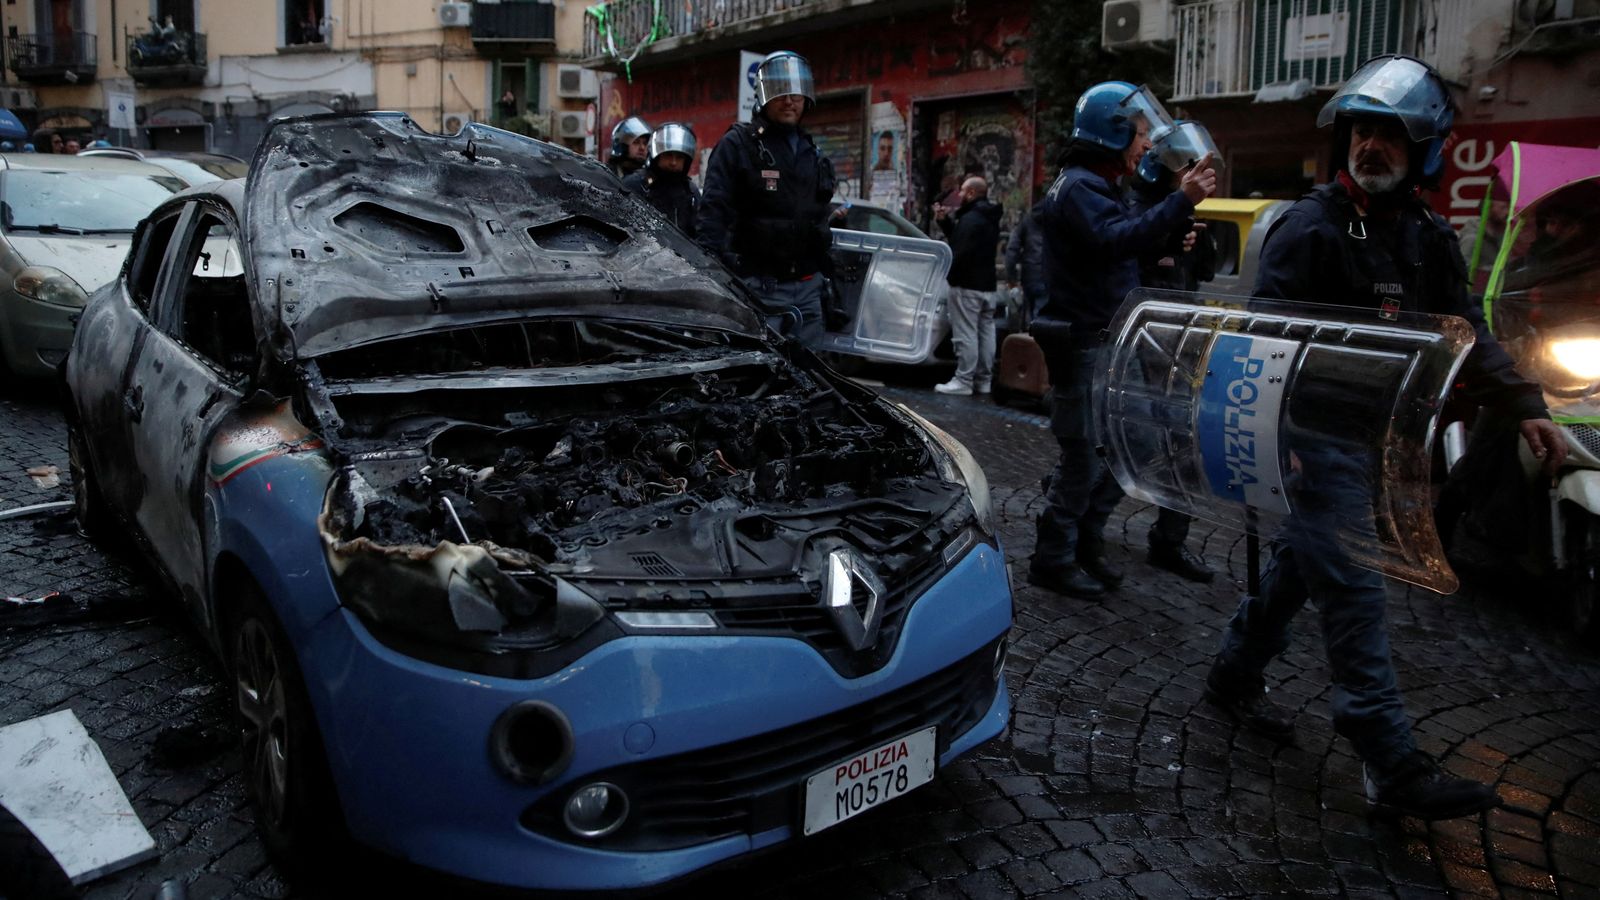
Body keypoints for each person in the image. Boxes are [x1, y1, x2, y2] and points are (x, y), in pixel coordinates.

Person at [1202, 55, 1567, 821]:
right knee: (1357, 589)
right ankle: (1388, 760)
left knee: (1302, 569)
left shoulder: (1429, 238)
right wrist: (1278, 441)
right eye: (1361, 132)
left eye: (1390, 136)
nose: (1370, 147)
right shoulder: (1309, 227)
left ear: (1424, 150)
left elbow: (1461, 331)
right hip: (1316, 443)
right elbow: (1267, 341)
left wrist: (1526, 402)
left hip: (1386, 441)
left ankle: (1234, 673)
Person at [1028, 82, 1215, 599]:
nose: (1144, 147)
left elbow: (1120, 248)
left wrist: (1171, 236)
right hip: (1086, 341)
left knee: (1126, 450)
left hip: (1109, 337)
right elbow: (1113, 240)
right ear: (1109, 133)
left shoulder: (1097, 186)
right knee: (1084, 458)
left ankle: (1085, 544)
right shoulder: (1081, 187)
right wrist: (1180, 201)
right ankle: (1054, 556)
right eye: (1137, 135)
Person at [1124, 122, 1222, 584]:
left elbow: (1202, 271)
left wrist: (1196, 238)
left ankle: (1170, 540)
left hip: (1179, 341)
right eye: (1182, 164)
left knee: (1183, 442)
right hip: (1142, 345)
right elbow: (1127, 255)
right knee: (1131, 439)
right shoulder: (1140, 209)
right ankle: (1076, 515)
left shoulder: (1180, 212)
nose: (1190, 172)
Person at [697, 51, 837, 347]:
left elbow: (818, 213)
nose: (789, 100)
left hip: (808, 288)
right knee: (760, 378)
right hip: (759, 289)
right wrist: (708, 276)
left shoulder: (813, 153)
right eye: (780, 92)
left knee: (811, 379)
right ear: (764, 96)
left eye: (796, 93)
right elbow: (713, 211)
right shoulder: (739, 144)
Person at [935, 176, 1003, 395]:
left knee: (966, 334)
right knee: (985, 333)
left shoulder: (971, 219)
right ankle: (983, 380)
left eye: (963, 191)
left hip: (967, 285)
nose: (960, 195)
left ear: (972, 193)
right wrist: (945, 223)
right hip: (987, 285)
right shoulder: (988, 217)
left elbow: (959, 250)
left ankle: (963, 380)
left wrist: (950, 276)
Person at [622, 122, 700, 238]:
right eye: (668, 155)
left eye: (679, 157)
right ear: (657, 156)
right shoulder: (636, 185)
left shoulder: (691, 191)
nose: (673, 162)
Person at [1004, 193, 1048, 323]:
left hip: (1030, 275)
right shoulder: (1058, 220)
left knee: (1030, 317)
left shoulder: (1028, 220)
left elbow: (1012, 250)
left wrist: (1011, 278)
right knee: (1045, 319)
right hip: (1051, 275)